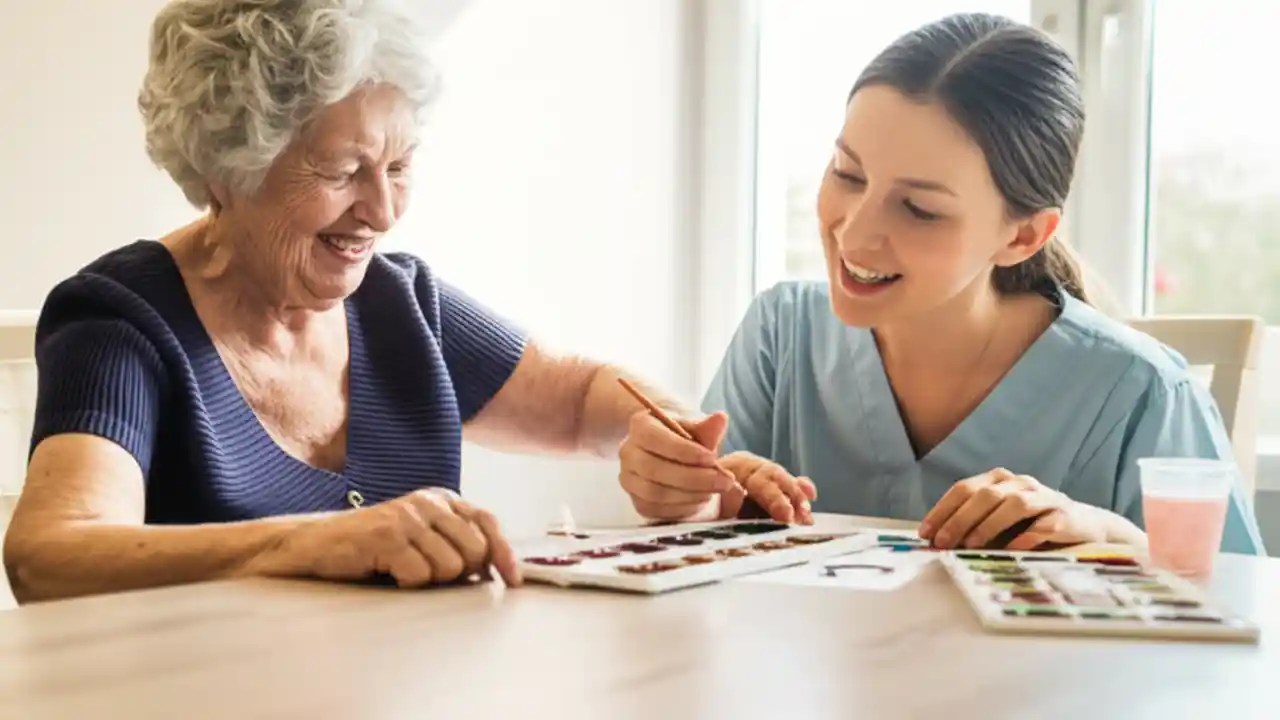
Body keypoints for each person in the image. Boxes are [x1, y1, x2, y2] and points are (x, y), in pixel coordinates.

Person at [3, 0, 757, 603]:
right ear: (225, 171)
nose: (383, 210)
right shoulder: (122, 319)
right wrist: (302, 542)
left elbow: (576, 396)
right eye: (342, 171)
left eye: (399, 165)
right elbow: (52, 554)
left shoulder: (401, 303)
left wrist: (678, 447)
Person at [618, 13, 1265, 554]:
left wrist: (1113, 536)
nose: (855, 235)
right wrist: (685, 490)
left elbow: (1249, 623)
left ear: (1021, 236)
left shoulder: (1143, 394)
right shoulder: (780, 334)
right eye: (847, 174)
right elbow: (703, 539)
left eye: (919, 209)